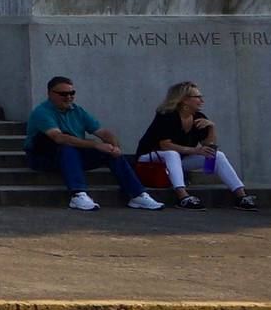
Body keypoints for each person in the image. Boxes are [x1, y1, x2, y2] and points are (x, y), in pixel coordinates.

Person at [26, 75, 161, 210]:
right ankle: (78, 194)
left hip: (73, 157)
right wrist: (96, 144)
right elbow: (59, 138)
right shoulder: (42, 112)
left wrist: (114, 147)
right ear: (50, 94)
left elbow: (103, 133)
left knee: (110, 153)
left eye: (72, 93)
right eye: (63, 94)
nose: (68, 97)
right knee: (67, 147)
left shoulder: (77, 110)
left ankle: (137, 194)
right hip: (44, 157)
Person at [132, 81, 259, 209]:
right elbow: (165, 146)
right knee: (172, 153)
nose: (202, 100)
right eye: (198, 97)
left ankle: (241, 197)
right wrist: (195, 150)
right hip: (149, 160)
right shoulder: (167, 115)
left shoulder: (198, 117)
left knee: (217, 155)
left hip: (176, 160)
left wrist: (211, 128)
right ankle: (183, 197)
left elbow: (208, 146)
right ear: (184, 100)